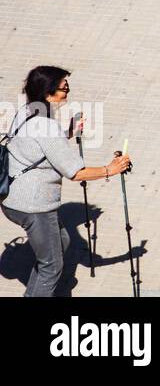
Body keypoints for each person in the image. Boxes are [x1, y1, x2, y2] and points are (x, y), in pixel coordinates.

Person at [2, 66, 132, 297]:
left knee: (61, 242)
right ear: (48, 92)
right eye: (64, 87)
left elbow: (39, 145)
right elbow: (76, 172)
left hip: (12, 197)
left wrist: (68, 132)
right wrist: (110, 169)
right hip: (34, 206)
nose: (68, 91)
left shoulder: (27, 112)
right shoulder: (47, 126)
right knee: (52, 266)